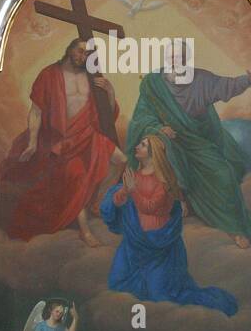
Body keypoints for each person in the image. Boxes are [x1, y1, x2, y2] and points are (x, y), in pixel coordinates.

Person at [125, 52, 251, 248]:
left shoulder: (201, 80)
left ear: (187, 61)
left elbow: (226, 86)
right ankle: (178, 205)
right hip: (171, 142)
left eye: (180, 58)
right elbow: (142, 117)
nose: (175, 62)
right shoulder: (153, 84)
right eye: (171, 58)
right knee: (163, 152)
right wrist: (158, 128)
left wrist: (247, 79)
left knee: (223, 175)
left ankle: (236, 227)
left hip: (198, 142)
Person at [0, 38, 123, 246]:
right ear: (69, 49)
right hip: (59, 140)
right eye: (79, 51)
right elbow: (36, 111)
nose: (82, 56)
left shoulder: (92, 76)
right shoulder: (49, 75)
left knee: (120, 160)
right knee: (77, 176)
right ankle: (85, 231)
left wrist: (110, 92)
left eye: (86, 54)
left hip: (87, 134)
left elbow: (106, 114)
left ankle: (96, 203)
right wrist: (33, 142)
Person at [100, 135, 238, 315]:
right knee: (118, 285)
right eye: (140, 143)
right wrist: (124, 191)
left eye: (143, 145)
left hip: (158, 244)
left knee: (161, 296)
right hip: (135, 241)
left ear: (152, 154)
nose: (137, 147)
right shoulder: (133, 176)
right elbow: (119, 202)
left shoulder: (162, 181)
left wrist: (132, 191)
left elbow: (150, 207)